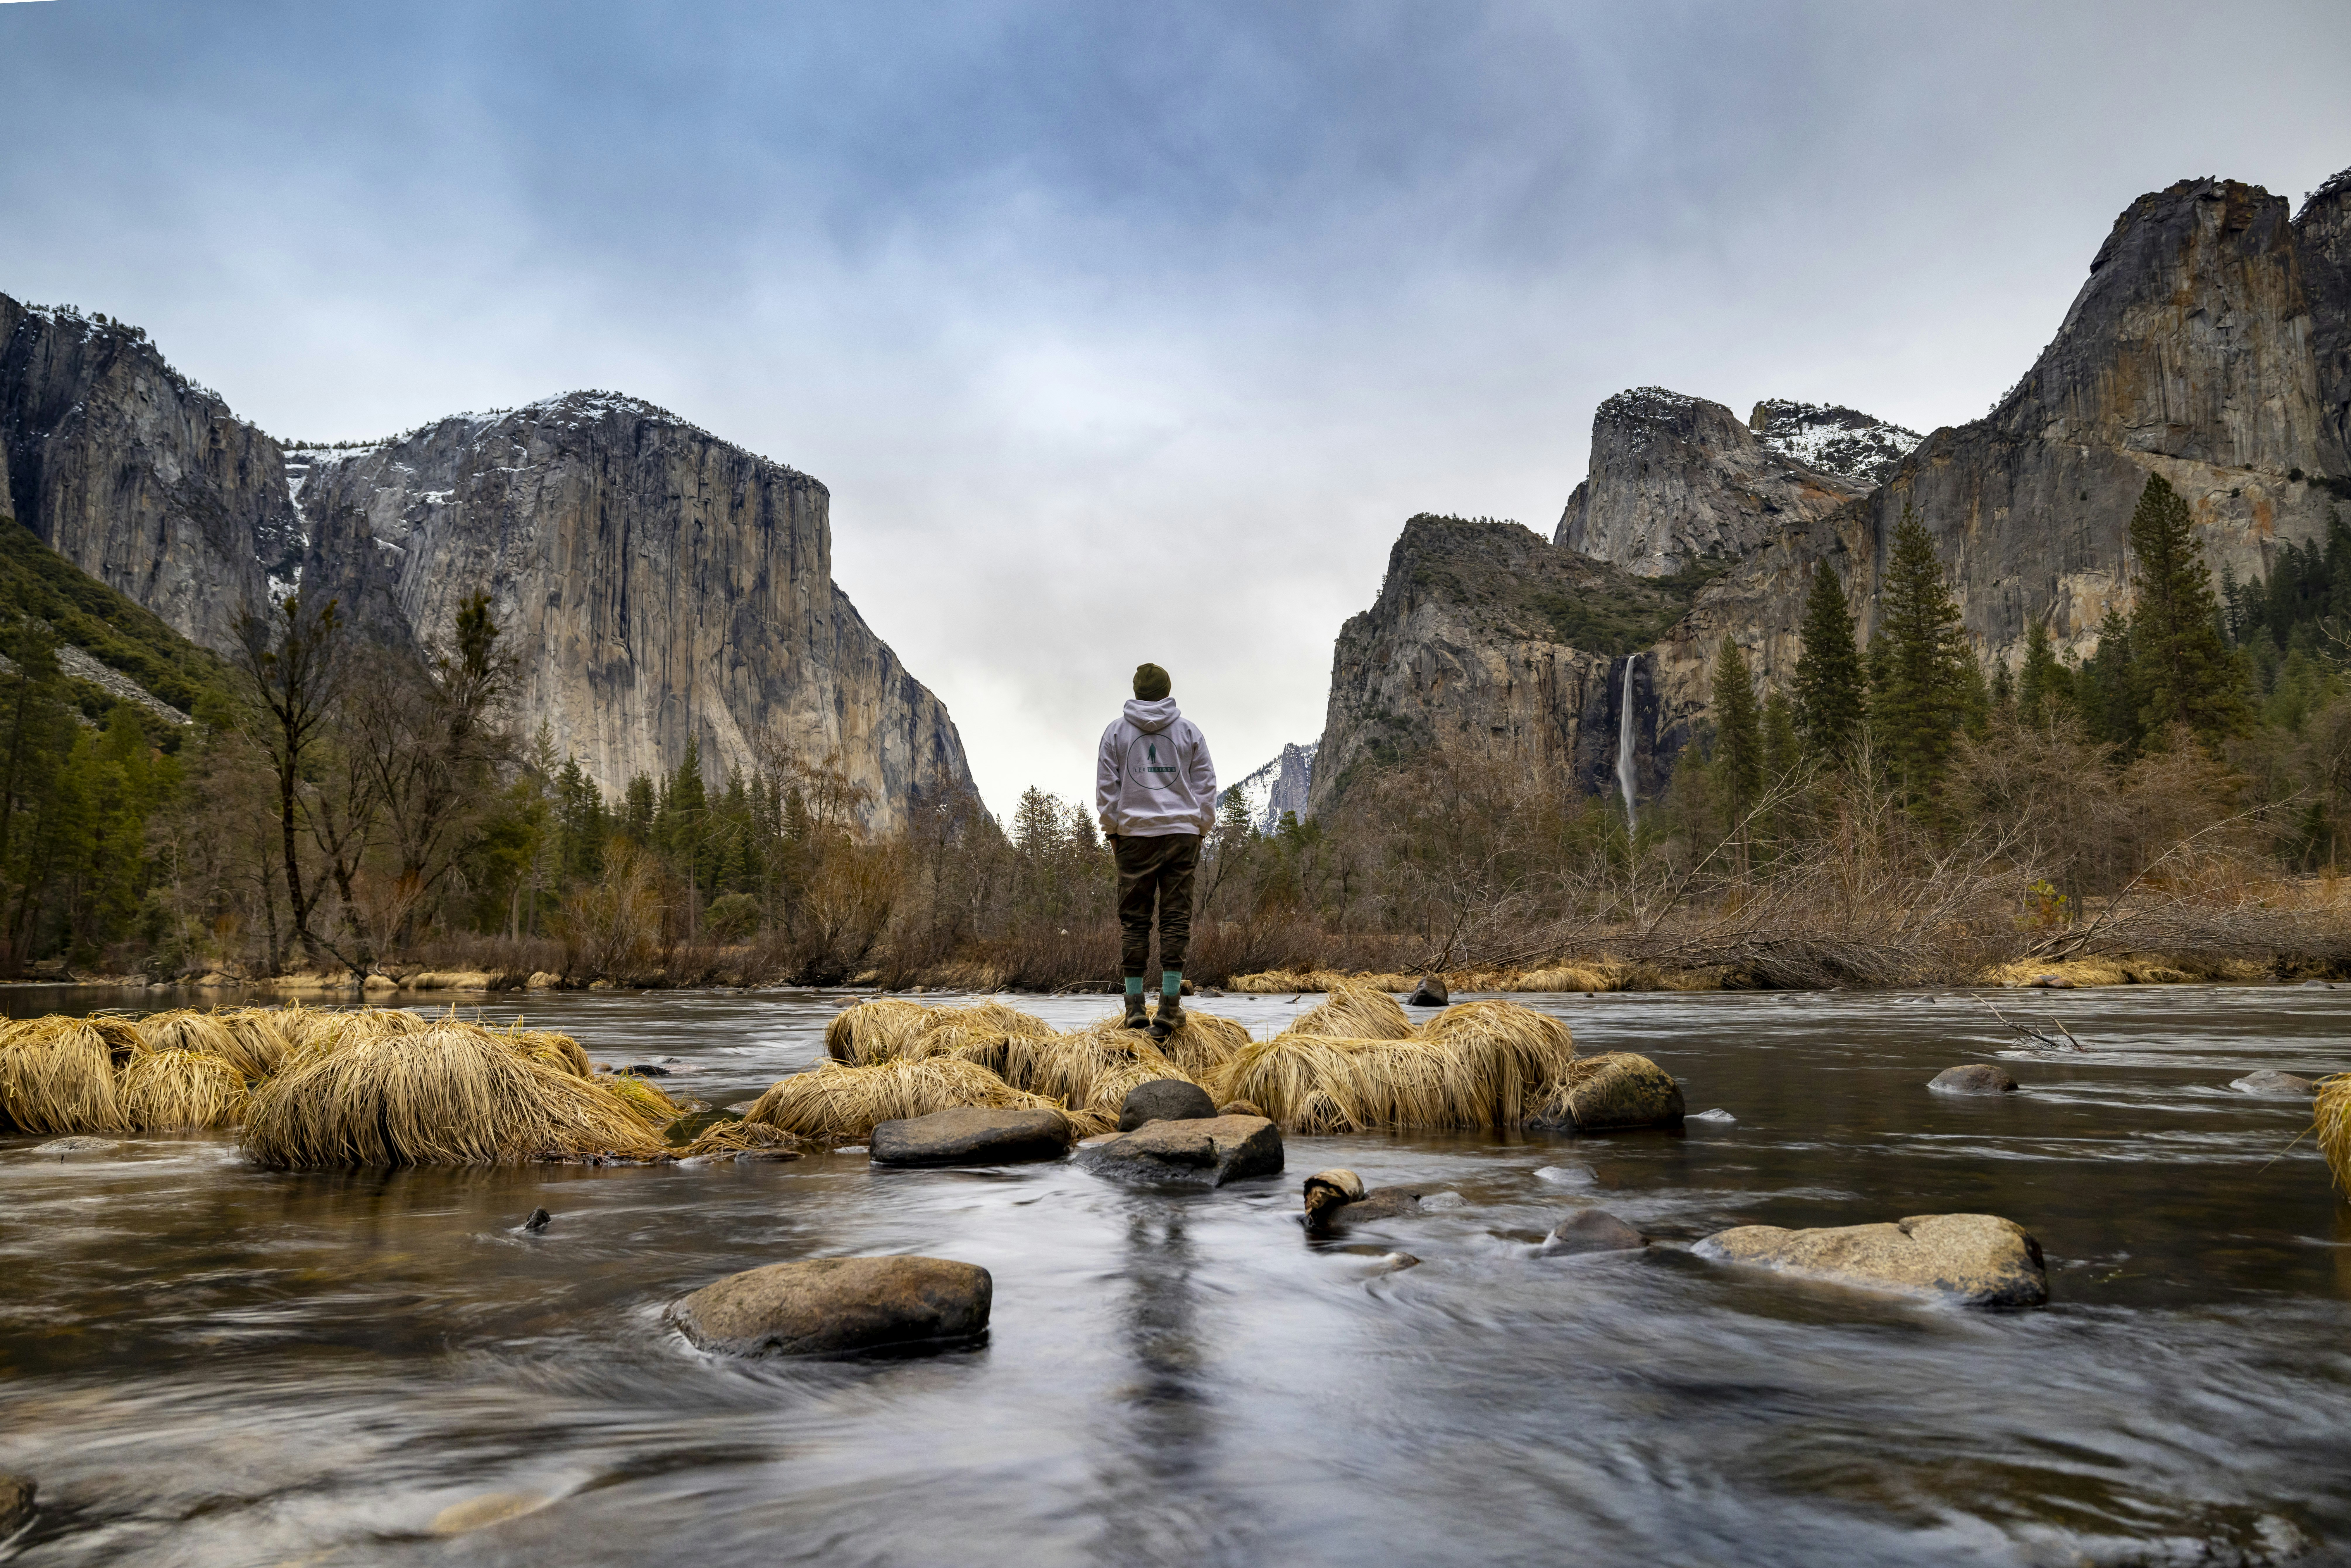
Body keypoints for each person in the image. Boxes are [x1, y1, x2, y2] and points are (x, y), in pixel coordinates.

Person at [1095, 662, 1217, 1038]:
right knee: (1175, 920)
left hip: (1133, 836)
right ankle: (1168, 1009)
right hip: (1181, 834)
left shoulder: (1115, 732)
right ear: (1167, 690)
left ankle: (1134, 1011)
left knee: (1134, 922)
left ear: (1136, 692)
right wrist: (1200, 828)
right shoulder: (1188, 732)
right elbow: (1206, 784)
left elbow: (1107, 789)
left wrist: (1113, 831)